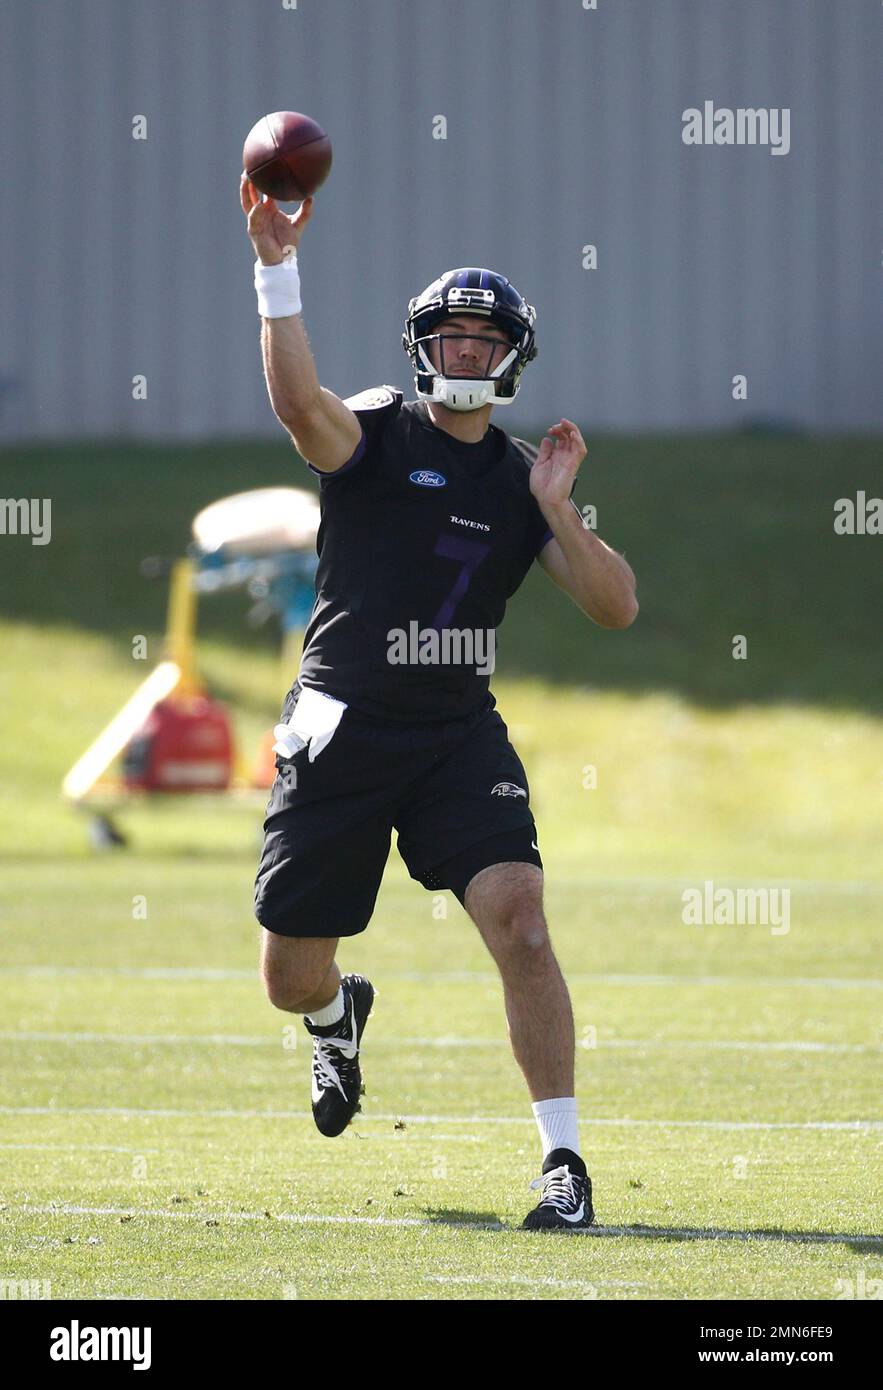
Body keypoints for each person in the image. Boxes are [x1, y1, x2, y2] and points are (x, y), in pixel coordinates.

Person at [241, 176, 638, 1230]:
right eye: (449, 335)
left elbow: (616, 608)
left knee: (519, 915)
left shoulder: (521, 480)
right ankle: (336, 1016)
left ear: (512, 355)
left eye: (483, 337)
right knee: (288, 972)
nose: (465, 350)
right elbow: (298, 407)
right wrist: (275, 265)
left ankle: (562, 1162)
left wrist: (559, 510)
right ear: (422, 345)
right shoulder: (373, 437)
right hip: (343, 721)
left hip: (457, 732)